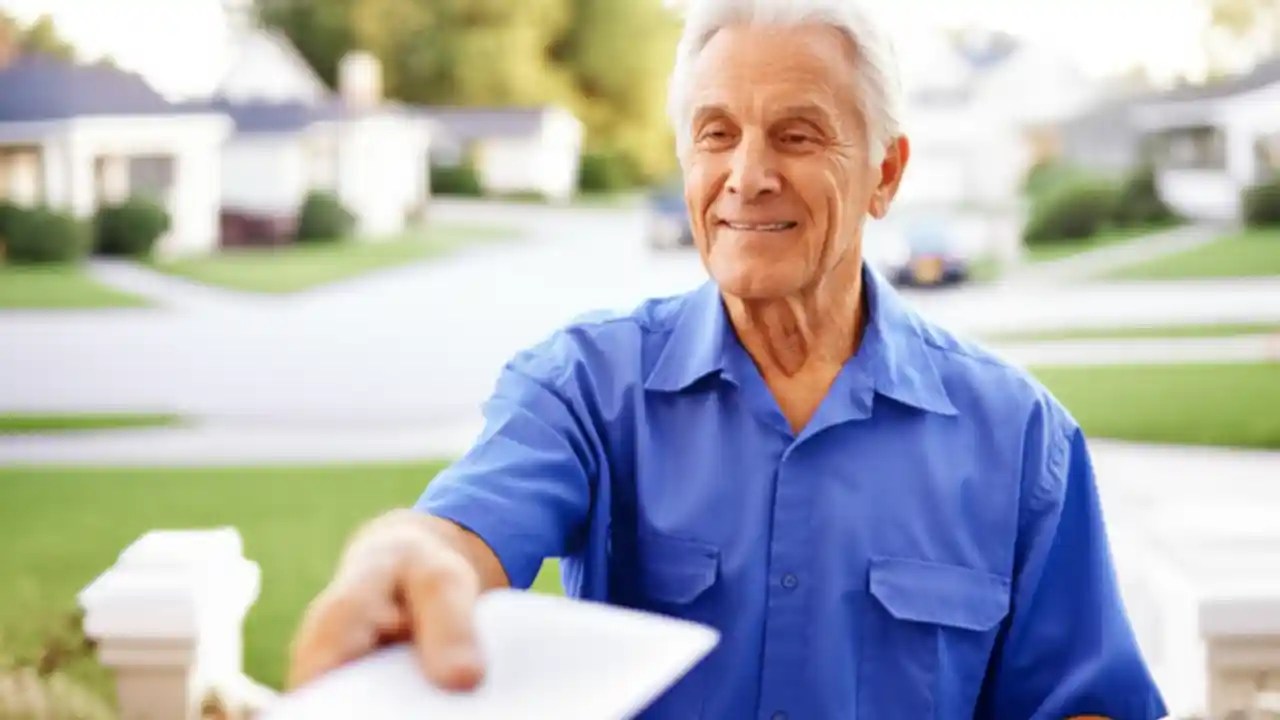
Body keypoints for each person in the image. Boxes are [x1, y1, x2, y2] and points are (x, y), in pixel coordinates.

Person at [288, 0, 1167, 717]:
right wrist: (396, 556)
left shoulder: (1021, 439)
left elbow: (1083, 703)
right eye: (716, 134)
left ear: (886, 173)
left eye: (796, 134)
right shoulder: (587, 388)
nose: (747, 174)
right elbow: (460, 536)